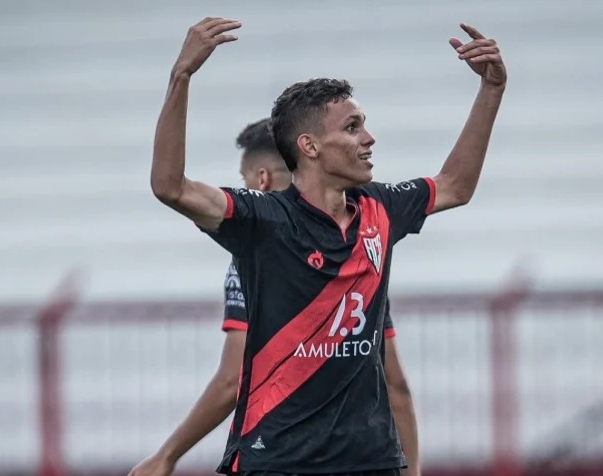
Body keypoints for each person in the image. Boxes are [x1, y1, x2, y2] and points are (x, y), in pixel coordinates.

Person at [150, 16, 506, 476]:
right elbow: (170, 187)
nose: (369, 137)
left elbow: (456, 185)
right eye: (353, 126)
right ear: (310, 146)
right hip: (277, 461)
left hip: (370, 461)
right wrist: (181, 76)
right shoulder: (265, 220)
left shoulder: (381, 208)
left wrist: (491, 90)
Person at [130, 119, 420, 476]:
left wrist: (167, 455)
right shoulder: (361, 252)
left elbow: (231, 381)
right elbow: (397, 384)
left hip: (281, 457)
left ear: (262, 178)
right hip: (364, 458)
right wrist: (414, 469)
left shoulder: (254, 255)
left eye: (245, 177)